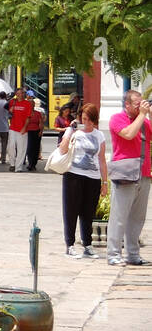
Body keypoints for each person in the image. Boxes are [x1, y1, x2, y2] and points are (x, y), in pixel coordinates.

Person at [106, 90, 152, 267]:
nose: (140, 106)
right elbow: (128, 134)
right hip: (125, 173)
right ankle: (113, 254)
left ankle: (133, 254)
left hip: (143, 172)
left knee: (138, 217)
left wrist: (149, 114)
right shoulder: (117, 118)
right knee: (119, 215)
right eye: (136, 104)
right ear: (126, 105)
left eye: (141, 103)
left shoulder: (144, 121)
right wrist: (142, 115)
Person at [58, 103, 107, 258]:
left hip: (92, 177)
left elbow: (102, 160)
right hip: (74, 174)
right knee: (71, 210)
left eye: (89, 120)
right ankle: (70, 245)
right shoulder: (75, 132)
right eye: (84, 119)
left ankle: (87, 244)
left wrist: (104, 182)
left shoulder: (99, 135)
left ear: (95, 120)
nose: (86, 123)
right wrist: (70, 130)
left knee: (88, 212)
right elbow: (62, 149)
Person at [6, 87, 33, 172]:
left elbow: (28, 117)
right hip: (13, 128)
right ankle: (12, 164)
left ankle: (18, 167)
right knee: (11, 146)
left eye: (21, 93)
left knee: (21, 149)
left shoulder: (27, 104)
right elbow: (7, 112)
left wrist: (24, 128)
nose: (19, 95)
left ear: (23, 94)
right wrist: (10, 110)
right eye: (17, 94)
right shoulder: (12, 102)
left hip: (22, 129)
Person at [25, 97, 45, 171]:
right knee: (30, 148)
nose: (31, 105)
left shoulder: (38, 113)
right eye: (30, 104)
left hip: (36, 131)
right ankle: (30, 163)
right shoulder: (25, 113)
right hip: (28, 132)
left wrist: (41, 131)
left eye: (32, 104)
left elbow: (41, 123)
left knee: (36, 148)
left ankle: (34, 164)